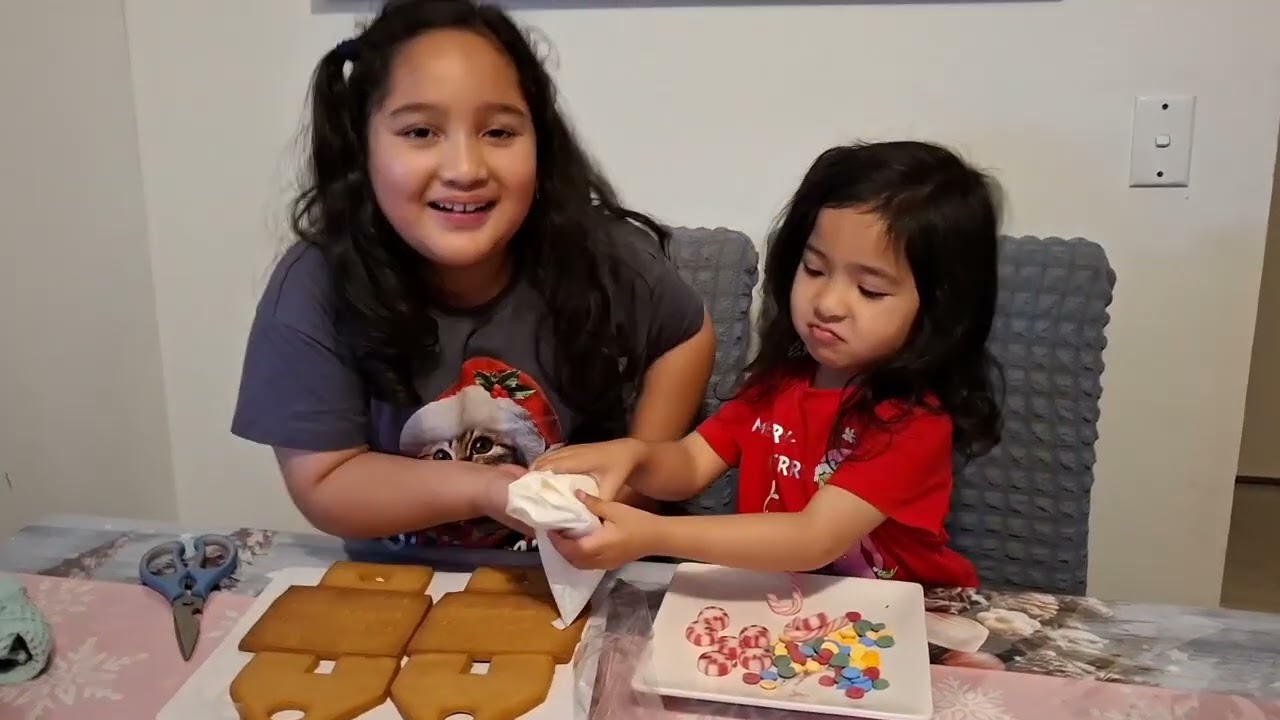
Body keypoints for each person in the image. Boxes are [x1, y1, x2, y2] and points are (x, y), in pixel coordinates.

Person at [230, 0, 715, 554]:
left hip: (585, 583)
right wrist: (485, 488)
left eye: (500, 132)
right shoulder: (313, 287)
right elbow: (325, 481)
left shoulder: (601, 255)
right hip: (401, 581)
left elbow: (687, 334)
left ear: (541, 144)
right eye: (419, 131)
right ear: (360, 148)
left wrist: (639, 480)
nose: (465, 170)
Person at [534, 140, 1003, 588]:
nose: (828, 303)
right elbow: (693, 463)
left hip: (905, 621)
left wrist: (654, 535)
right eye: (815, 269)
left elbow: (812, 539)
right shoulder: (780, 384)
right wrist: (634, 455)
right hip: (790, 608)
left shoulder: (913, 422)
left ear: (940, 312)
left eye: (870, 290)